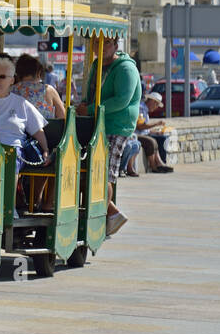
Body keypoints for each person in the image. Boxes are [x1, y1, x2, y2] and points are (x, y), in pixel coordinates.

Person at [77, 38, 141, 236]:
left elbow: (122, 100)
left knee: (106, 172)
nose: (100, 48)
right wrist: (84, 106)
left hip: (116, 125)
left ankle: (107, 213)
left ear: (115, 46)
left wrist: (90, 109)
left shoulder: (125, 69)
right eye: (96, 44)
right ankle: (110, 212)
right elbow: (91, 92)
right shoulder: (97, 65)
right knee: (89, 168)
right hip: (97, 122)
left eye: (106, 44)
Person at [0, 55, 50, 172]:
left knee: (11, 161)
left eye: (2, 77)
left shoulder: (21, 104)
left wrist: (45, 150)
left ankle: (10, 190)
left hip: (14, 152)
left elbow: (37, 130)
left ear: (12, 80)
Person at [12, 53, 65, 119]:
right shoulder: (48, 90)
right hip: (47, 129)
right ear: (38, 73)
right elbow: (62, 116)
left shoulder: (10, 90)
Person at [132, 92, 173, 174]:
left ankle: (159, 163)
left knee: (159, 139)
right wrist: (156, 124)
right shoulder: (141, 108)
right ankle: (153, 165)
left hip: (142, 133)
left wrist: (154, 132)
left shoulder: (145, 110)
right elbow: (140, 126)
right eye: (156, 104)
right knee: (151, 141)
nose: (156, 107)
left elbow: (144, 128)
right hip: (136, 134)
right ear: (152, 102)